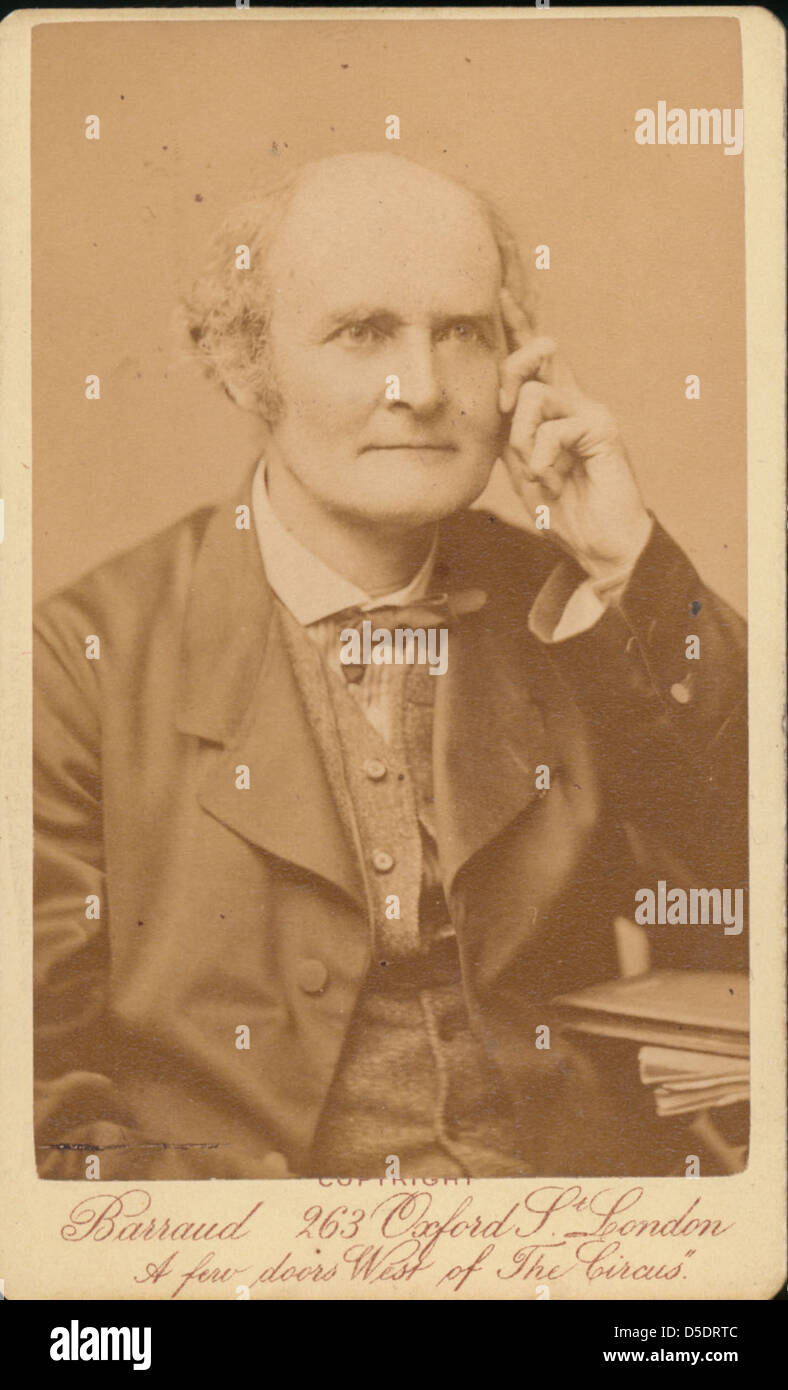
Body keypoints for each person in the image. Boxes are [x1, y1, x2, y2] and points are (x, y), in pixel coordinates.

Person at [34, 153, 747, 1180]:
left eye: (461, 334)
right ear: (245, 366)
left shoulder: (573, 602)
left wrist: (625, 562)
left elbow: (744, 884)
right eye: (361, 333)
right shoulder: (83, 662)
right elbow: (36, 1092)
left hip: (572, 1229)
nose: (420, 389)